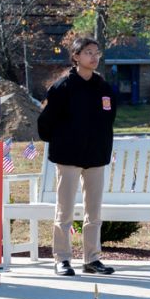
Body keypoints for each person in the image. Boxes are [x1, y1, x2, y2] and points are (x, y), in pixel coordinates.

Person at [36, 36, 118, 277]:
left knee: (94, 212)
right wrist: (64, 141)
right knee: (65, 211)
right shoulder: (62, 87)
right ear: (76, 56)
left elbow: (109, 119)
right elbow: (45, 123)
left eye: (96, 52)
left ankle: (92, 259)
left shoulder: (103, 87)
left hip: (95, 157)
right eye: (88, 52)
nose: (94, 57)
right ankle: (62, 259)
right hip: (68, 157)